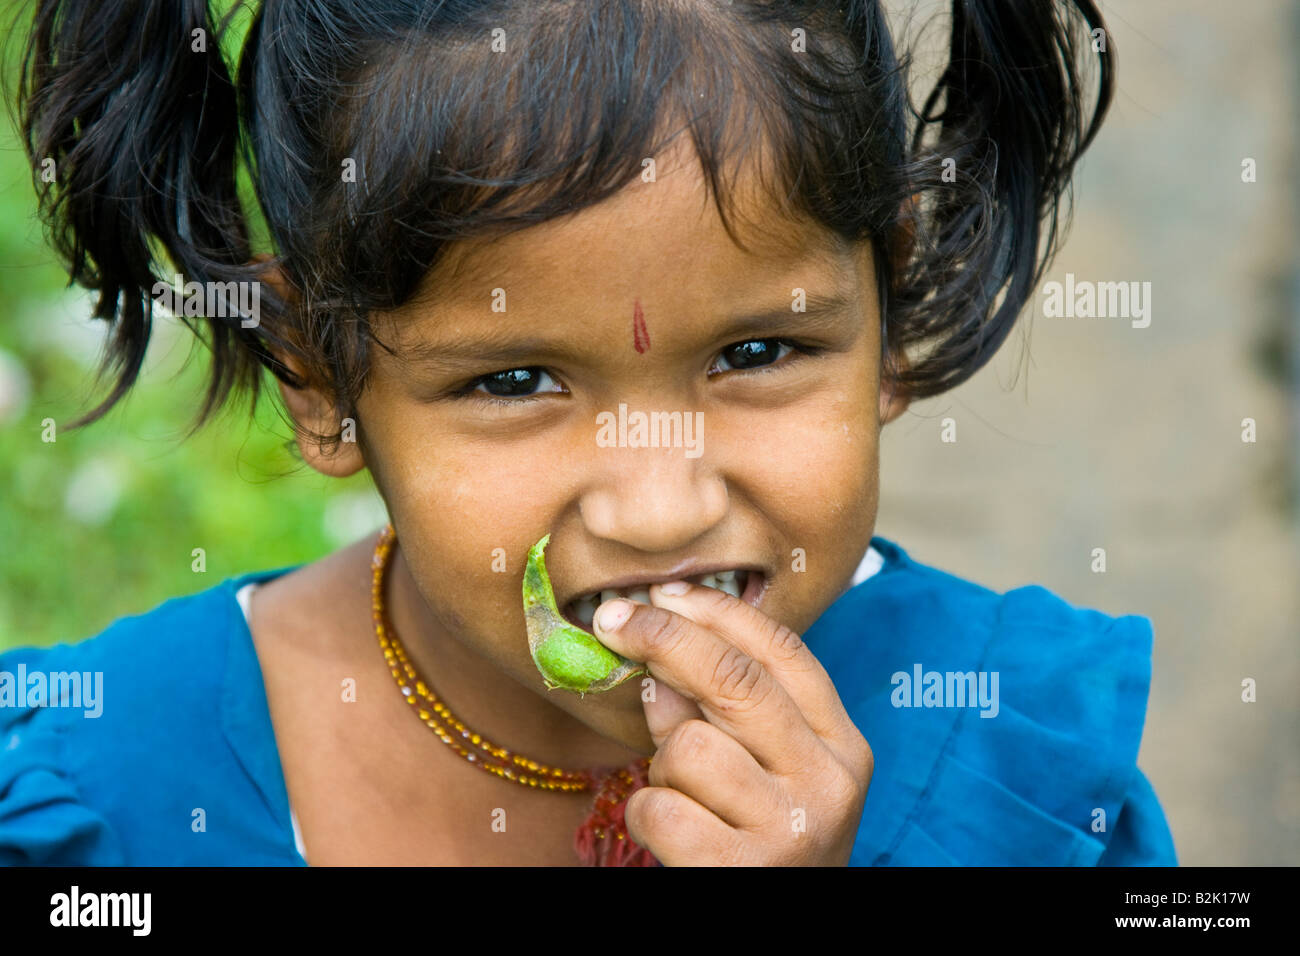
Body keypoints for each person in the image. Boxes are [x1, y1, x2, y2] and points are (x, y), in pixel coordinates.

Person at [0, 0, 1176, 866]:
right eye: (514, 378)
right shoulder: (99, 800)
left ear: (890, 303)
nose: (660, 509)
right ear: (317, 378)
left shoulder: (1022, 768)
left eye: (756, 353)